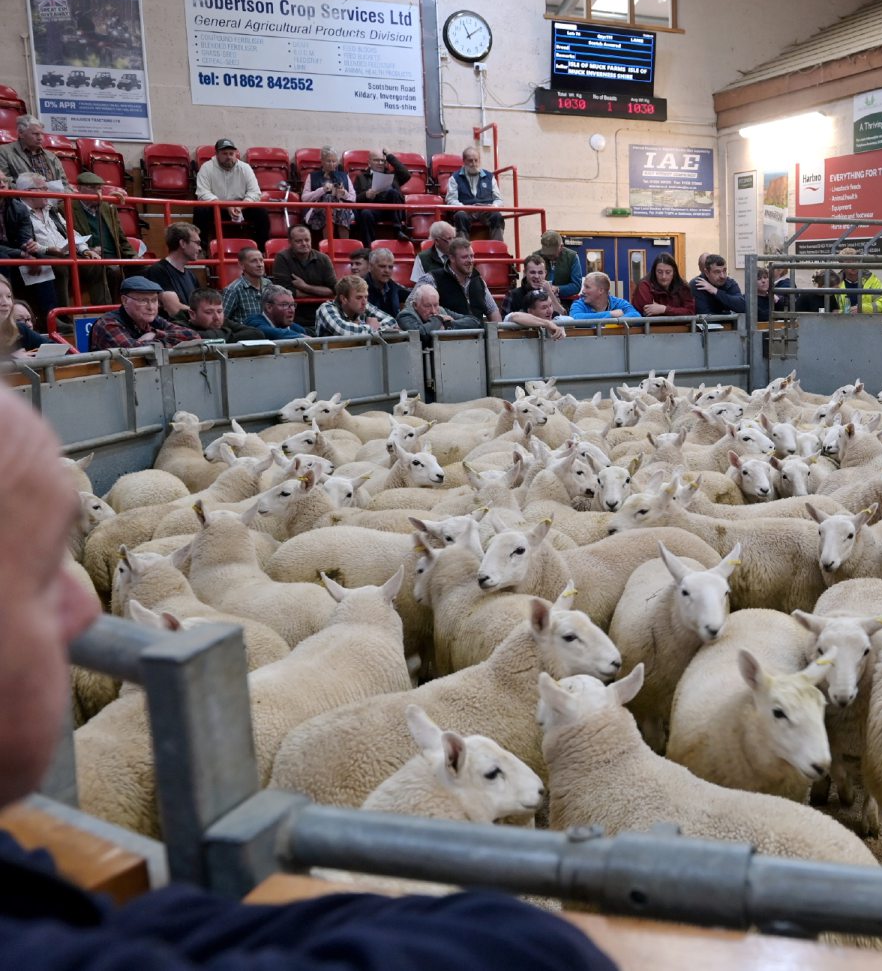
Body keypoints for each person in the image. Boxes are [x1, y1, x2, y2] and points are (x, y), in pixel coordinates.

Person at [0, 392, 620, 971]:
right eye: (35, 565)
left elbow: (186, 920)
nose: (88, 611)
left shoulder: (33, 882)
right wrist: (511, 932)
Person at [12, 172, 86, 317]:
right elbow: (25, 242)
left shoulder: (51, 210)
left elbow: (70, 231)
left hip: (65, 253)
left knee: (97, 266)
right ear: (28, 192)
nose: (48, 192)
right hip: (43, 255)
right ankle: (65, 317)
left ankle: (100, 312)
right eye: (43, 188)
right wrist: (48, 250)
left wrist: (85, 250)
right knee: (60, 267)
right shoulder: (19, 211)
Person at [71, 171, 136, 306]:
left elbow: (121, 238)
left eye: (99, 188)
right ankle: (107, 312)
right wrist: (88, 250)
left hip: (115, 256)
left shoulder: (107, 207)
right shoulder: (68, 207)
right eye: (92, 188)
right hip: (90, 258)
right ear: (79, 188)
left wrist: (134, 257)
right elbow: (68, 237)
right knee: (112, 271)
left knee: (148, 268)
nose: (97, 192)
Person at [87, 276, 201, 349]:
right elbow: (135, 351)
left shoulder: (153, 320)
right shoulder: (108, 324)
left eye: (154, 300)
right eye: (143, 301)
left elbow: (194, 336)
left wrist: (156, 334)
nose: (151, 307)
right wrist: (167, 342)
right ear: (125, 301)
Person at [193, 138, 268, 248]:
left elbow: (255, 193)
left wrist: (241, 206)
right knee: (200, 210)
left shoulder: (245, 168)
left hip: (241, 208)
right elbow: (203, 193)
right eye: (224, 154)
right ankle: (201, 248)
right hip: (216, 208)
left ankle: (261, 249)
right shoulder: (207, 168)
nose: (229, 157)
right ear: (217, 154)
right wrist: (226, 206)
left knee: (261, 211)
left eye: (231, 153)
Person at [414, 237, 499, 323]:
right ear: (452, 258)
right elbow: (411, 306)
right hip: (447, 335)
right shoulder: (431, 279)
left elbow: (493, 311)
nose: (470, 261)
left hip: (479, 335)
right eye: (465, 257)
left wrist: (498, 332)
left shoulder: (478, 280)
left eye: (472, 256)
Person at [270, 225, 337, 333]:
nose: (304, 243)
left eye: (307, 240)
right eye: (299, 241)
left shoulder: (323, 259)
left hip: (323, 315)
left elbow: (334, 289)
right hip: (293, 317)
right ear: (290, 242)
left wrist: (305, 287)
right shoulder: (282, 258)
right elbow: (284, 292)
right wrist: (321, 291)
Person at [143, 222, 203, 319]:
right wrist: (205, 316)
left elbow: (199, 305)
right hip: (174, 330)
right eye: (197, 243)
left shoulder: (191, 275)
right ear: (182, 243)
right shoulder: (158, 271)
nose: (200, 248)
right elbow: (174, 310)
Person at [445, 146, 506, 239]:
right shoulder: (455, 178)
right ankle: (462, 247)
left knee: (497, 216)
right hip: (466, 211)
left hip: (486, 211)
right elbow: (450, 199)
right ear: (464, 161)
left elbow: (499, 199)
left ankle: (497, 248)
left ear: (479, 160)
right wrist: (464, 207)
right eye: (470, 160)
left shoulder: (489, 177)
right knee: (460, 216)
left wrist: (494, 206)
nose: (473, 164)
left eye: (476, 160)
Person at [0, 115, 74, 191]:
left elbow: (64, 184)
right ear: (21, 133)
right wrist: (32, 191)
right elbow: (4, 183)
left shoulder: (51, 156)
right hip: (21, 200)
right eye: (35, 134)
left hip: (55, 200)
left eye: (42, 134)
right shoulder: (4, 152)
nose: (40, 138)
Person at [353, 147, 409, 246]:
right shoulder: (361, 178)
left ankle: (398, 230)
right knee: (365, 213)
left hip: (392, 209)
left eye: (382, 161)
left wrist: (389, 156)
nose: (380, 163)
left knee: (393, 192)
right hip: (374, 209)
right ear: (369, 162)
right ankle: (369, 247)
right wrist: (366, 194)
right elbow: (355, 199)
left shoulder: (393, 176)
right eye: (376, 160)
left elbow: (406, 174)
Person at [316, 274, 400, 337]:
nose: (364, 302)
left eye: (366, 297)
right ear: (344, 299)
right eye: (359, 297)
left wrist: (371, 328)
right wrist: (370, 327)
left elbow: (392, 321)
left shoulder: (362, 305)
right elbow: (343, 331)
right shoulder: (326, 308)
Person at [397, 282, 483, 342]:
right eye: (427, 306)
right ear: (415, 305)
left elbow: (474, 321)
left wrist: (448, 325)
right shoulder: (405, 315)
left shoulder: (441, 310)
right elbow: (420, 335)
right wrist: (439, 318)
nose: (433, 311)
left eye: (435, 305)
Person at [300, 145, 356, 238]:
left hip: (341, 211)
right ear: (322, 161)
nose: (331, 164)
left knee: (338, 207)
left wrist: (344, 194)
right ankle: (327, 245)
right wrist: (322, 190)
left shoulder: (344, 176)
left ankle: (344, 245)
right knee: (328, 199)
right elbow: (304, 198)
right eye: (328, 161)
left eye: (334, 161)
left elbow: (353, 198)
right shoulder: (312, 176)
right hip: (318, 211)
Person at [174, 286, 264, 343]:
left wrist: (224, 336)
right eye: (209, 312)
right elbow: (195, 337)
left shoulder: (223, 322)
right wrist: (228, 332)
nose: (217, 317)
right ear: (192, 314)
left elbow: (257, 334)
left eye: (220, 311)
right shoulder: (177, 326)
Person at [630, 252, 694, 317]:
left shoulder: (682, 287)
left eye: (668, 272)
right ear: (654, 272)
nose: (664, 276)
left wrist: (664, 309)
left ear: (674, 272)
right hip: (650, 327)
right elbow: (648, 313)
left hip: (680, 327)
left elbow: (690, 312)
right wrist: (678, 311)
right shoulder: (644, 286)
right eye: (659, 272)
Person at [221, 247, 272, 327]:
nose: (259, 265)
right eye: (254, 261)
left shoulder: (269, 284)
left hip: (270, 333)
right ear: (241, 265)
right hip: (247, 335)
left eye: (261, 260)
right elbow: (222, 320)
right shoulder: (233, 290)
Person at [0, 278, 48, 355]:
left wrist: (33, 357)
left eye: (8, 296)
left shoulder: (20, 329)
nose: (5, 303)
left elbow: (59, 349)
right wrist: (13, 360)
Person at [689, 253, 746, 318]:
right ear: (707, 273)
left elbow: (742, 307)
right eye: (717, 272)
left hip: (731, 326)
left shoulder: (730, 283)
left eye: (724, 271)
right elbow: (704, 316)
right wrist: (730, 314)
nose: (723, 276)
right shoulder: (697, 284)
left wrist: (716, 291)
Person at [567, 271, 640, 320]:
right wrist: (610, 314)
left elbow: (636, 316)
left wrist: (617, 321)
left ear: (601, 290)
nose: (583, 291)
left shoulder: (618, 303)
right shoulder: (579, 304)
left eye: (587, 287)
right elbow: (575, 318)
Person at [835, 247, 882, 314]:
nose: (853, 265)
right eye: (848, 262)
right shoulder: (835, 282)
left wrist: (862, 308)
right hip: (842, 322)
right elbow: (830, 309)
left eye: (855, 260)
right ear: (841, 265)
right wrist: (844, 312)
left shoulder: (872, 280)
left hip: (867, 321)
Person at [538, 230, 583, 303]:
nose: (549, 257)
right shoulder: (537, 256)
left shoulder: (572, 257)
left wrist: (558, 289)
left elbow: (576, 286)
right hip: (539, 302)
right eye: (547, 254)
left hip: (565, 303)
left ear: (561, 246)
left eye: (552, 254)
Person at [365, 247, 409, 319]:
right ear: (370, 267)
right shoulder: (360, 289)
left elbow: (413, 297)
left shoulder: (394, 287)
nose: (387, 271)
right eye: (382, 266)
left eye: (390, 267)